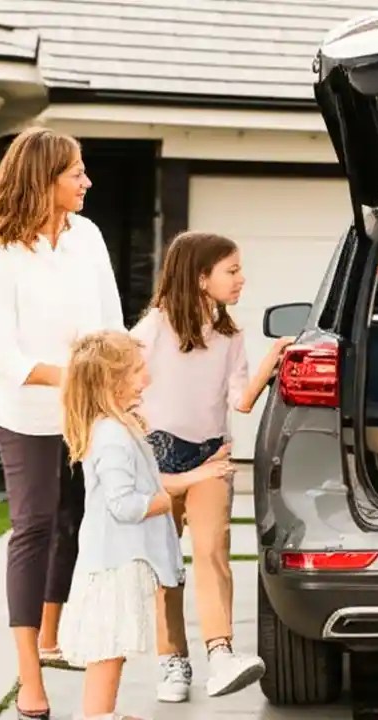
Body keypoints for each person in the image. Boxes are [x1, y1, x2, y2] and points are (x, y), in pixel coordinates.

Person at [0, 127, 125, 719]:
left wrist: (119, 385)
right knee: (34, 527)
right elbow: (6, 358)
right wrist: (77, 378)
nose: (86, 182)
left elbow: (111, 324)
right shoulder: (2, 255)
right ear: (44, 179)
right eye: (76, 173)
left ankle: (51, 636)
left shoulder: (87, 238)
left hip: (89, 415)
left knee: (77, 524)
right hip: (28, 416)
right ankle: (29, 679)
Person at [130, 231, 293, 702]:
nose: (242, 279)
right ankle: (172, 661)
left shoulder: (231, 336)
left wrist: (272, 359)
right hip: (158, 456)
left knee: (212, 553)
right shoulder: (151, 331)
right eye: (232, 270)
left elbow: (240, 401)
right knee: (165, 564)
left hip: (210, 454)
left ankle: (220, 653)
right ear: (202, 278)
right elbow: (122, 390)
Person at [56, 330, 185, 720]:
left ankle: (103, 714)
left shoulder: (118, 427)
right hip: (111, 568)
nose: (146, 378)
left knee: (112, 652)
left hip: (115, 563)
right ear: (111, 382)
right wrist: (163, 502)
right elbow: (123, 504)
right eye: (137, 371)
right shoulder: (111, 434)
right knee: (108, 650)